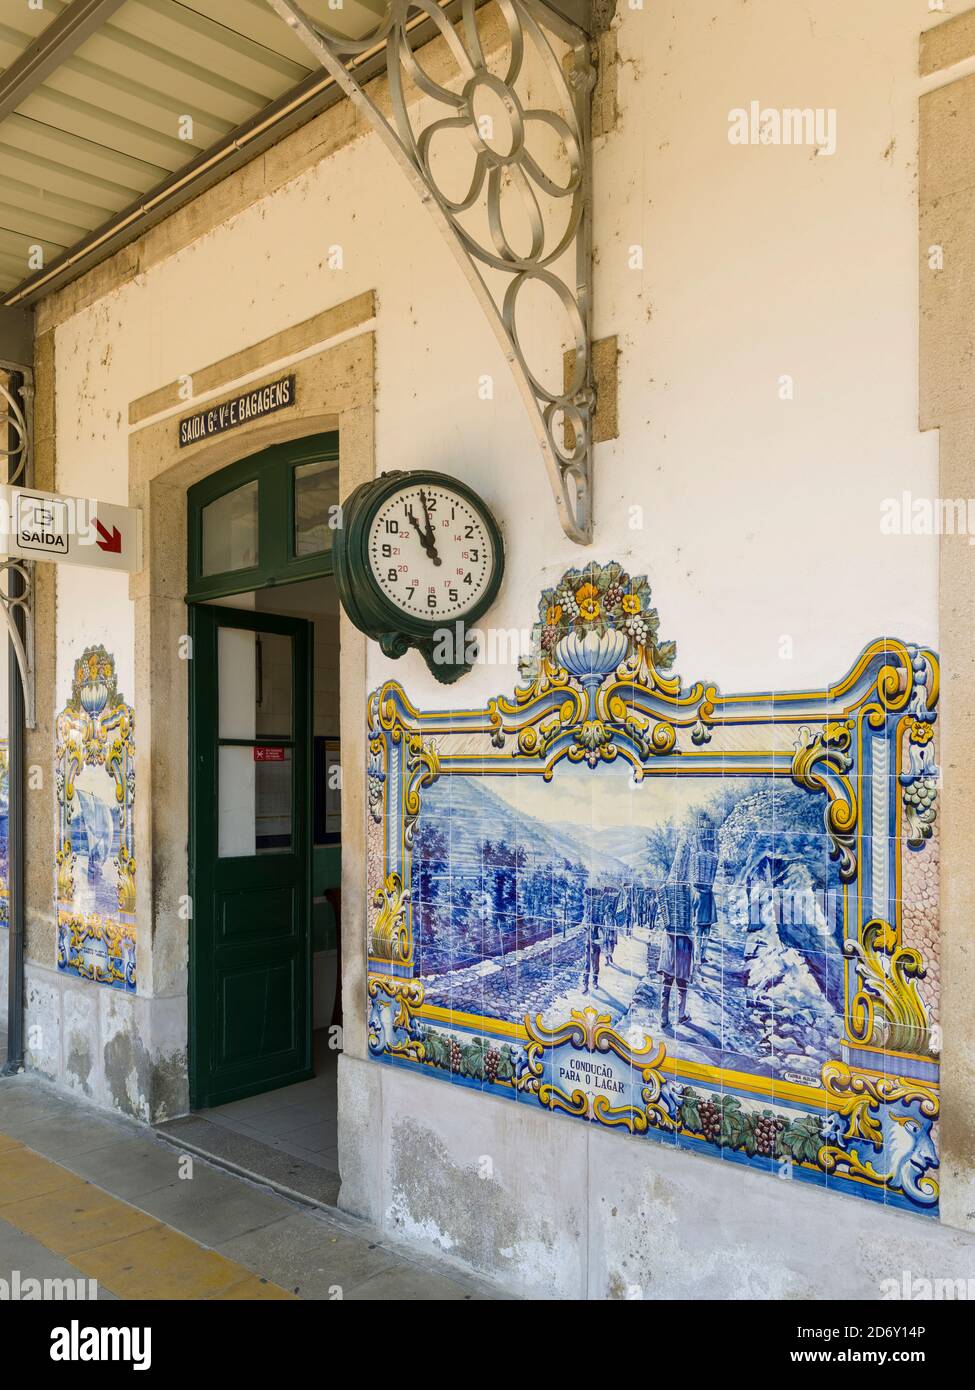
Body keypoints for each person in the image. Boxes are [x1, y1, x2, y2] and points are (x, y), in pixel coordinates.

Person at [654, 832, 695, 1032]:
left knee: (667, 981)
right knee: (682, 982)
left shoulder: (668, 890)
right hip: (683, 941)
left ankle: (663, 1017)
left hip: (669, 940)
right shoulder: (689, 891)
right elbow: (693, 914)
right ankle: (680, 1015)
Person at [692, 812, 719, 965]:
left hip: (700, 920)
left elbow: (694, 906)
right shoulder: (707, 893)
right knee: (703, 938)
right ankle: (699, 957)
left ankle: (699, 958)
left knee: (700, 937)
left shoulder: (699, 892)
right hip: (705, 920)